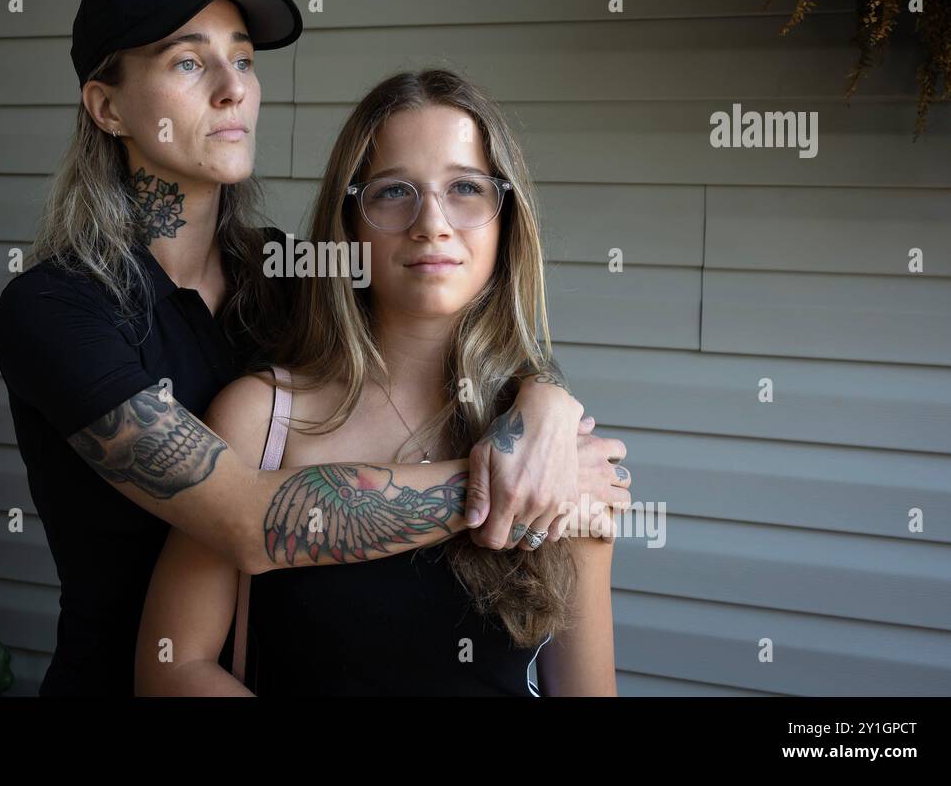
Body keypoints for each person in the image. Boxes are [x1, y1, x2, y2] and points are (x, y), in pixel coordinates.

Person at [0, 0, 623, 696]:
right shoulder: (60, 308)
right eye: (189, 64)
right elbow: (251, 523)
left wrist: (545, 407)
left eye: (245, 60)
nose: (234, 90)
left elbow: (439, 304)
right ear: (108, 106)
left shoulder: (288, 275)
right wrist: (509, 487)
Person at [136, 69, 627, 696]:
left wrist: (546, 400)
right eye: (394, 192)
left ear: (508, 220)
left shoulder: (553, 454)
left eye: (466, 188)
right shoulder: (262, 419)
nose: (432, 223)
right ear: (350, 223)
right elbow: (171, 666)